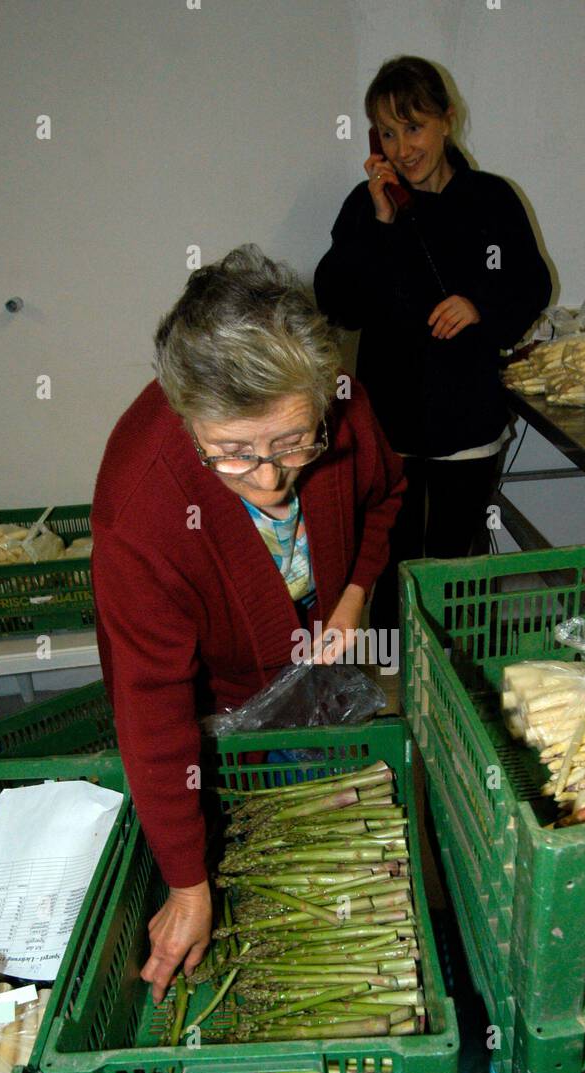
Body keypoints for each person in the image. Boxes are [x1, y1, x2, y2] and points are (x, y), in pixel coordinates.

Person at [91, 245, 405, 1002]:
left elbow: (386, 496)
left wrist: (355, 595)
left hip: (322, 647)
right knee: (246, 808)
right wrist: (189, 884)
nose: (270, 479)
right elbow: (153, 710)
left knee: (344, 818)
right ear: (186, 414)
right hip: (224, 686)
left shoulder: (343, 403)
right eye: (233, 454)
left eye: (295, 443)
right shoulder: (140, 508)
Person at [314, 55, 551, 631]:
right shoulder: (367, 205)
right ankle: (396, 689)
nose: (402, 147)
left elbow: (533, 287)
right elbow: (335, 302)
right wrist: (379, 224)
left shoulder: (492, 200)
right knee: (387, 565)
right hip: (388, 425)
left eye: (414, 127)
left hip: (465, 423)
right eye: (388, 133)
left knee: (451, 564)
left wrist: (480, 307)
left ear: (448, 119)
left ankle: (443, 681)